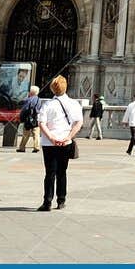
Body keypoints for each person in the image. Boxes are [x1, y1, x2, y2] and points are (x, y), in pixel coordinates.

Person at [36, 75, 81, 212]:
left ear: (52, 89)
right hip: (65, 142)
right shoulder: (74, 104)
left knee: (50, 173)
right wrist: (68, 137)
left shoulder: (47, 105)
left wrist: (51, 137)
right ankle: (61, 200)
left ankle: (47, 202)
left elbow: (41, 123)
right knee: (62, 171)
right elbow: (79, 123)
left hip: (50, 143)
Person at [16, 85, 41, 153]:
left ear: (31, 92)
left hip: (28, 119)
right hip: (36, 118)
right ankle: (36, 147)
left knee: (26, 134)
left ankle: (22, 147)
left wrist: (21, 118)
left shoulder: (28, 100)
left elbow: (24, 109)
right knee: (36, 133)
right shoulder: (39, 100)